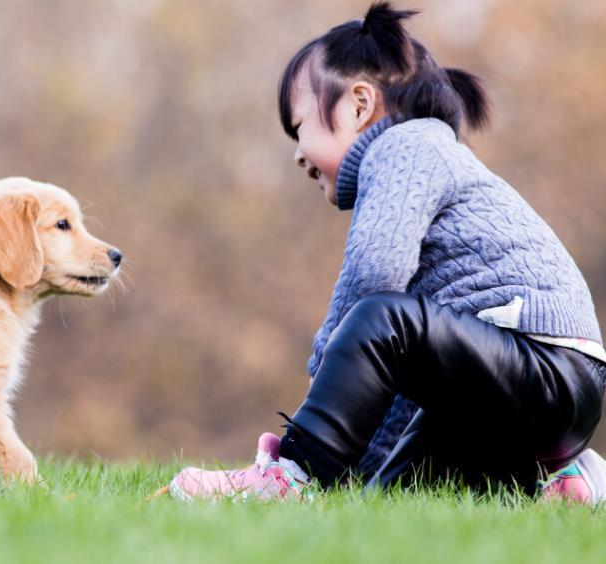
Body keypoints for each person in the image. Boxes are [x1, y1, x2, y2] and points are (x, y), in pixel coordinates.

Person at [168, 2, 606, 503]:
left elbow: (374, 285)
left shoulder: (407, 147)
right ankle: (568, 485)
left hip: (542, 365)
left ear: (358, 105)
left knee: (377, 316)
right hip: (525, 392)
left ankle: (287, 477)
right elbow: (398, 366)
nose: (296, 153)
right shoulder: (417, 163)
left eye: (300, 126)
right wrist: (352, 472)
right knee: (391, 496)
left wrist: (329, 367)